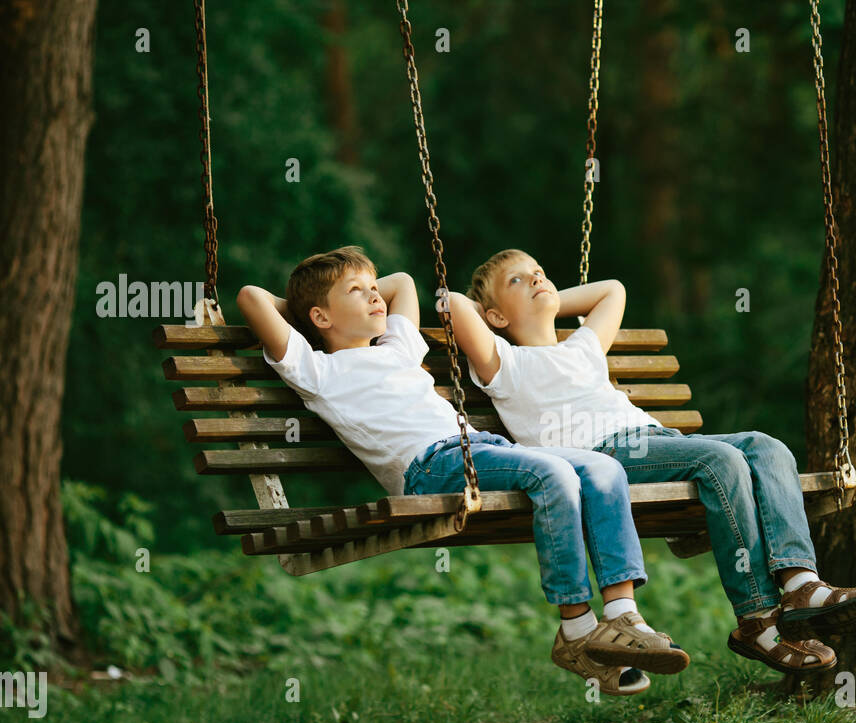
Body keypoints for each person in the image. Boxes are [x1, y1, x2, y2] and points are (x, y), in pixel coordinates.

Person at [237, 246, 691, 696]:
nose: (377, 297)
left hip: (483, 447)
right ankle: (576, 631)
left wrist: (349, 292)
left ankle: (621, 616)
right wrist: (298, 306)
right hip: (432, 466)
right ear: (319, 318)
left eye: (373, 289)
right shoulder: (315, 369)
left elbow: (402, 283)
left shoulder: (398, 347)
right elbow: (251, 297)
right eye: (357, 292)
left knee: (603, 470)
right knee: (553, 476)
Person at [445, 248, 856, 676]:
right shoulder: (504, 363)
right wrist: (506, 308)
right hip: (602, 457)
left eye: (540, 271)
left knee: (767, 446)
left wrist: (550, 299)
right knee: (721, 460)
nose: (537, 278)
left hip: (655, 440)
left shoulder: (582, 346)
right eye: (517, 280)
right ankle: (756, 618)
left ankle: (799, 583)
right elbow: (454, 303)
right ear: (496, 317)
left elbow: (612, 290)